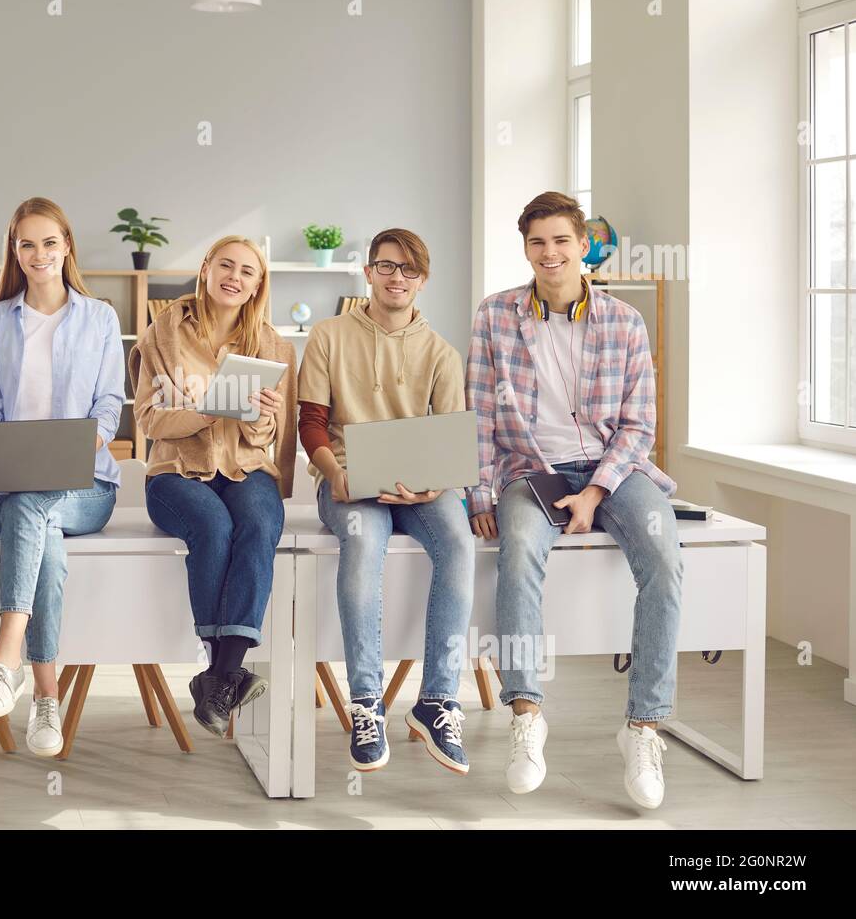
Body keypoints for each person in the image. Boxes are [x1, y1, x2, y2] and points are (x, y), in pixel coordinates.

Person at [466, 190, 682, 809]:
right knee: (519, 555)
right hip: (528, 469)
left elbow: (639, 425)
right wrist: (482, 489)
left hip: (615, 469)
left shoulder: (623, 321)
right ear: (526, 249)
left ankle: (643, 726)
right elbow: (480, 414)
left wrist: (594, 491)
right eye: (537, 243)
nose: (550, 253)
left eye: (562, 240)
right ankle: (527, 714)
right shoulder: (495, 315)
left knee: (665, 559)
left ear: (583, 245)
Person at [297, 227, 474, 774]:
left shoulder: (442, 354)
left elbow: (448, 440)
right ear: (368, 271)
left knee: (459, 544)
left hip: (420, 488)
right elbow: (311, 423)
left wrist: (435, 485)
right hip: (349, 480)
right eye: (387, 266)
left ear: (423, 280)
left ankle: (438, 700)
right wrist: (336, 475)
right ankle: (367, 703)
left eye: (409, 269)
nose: (397, 277)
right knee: (362, 543)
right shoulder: (328, 336)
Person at [0, 197, 122, 757]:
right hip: (12, 489)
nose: (39, 254)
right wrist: (15, 457)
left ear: (67, 247)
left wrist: (88, 442)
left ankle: (7, 652)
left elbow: (110, 402)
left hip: (87, 487)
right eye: (27, 244)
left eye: (49, 242)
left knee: (38, 508)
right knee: (40, 526)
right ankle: (46, 699)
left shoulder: (100, 316)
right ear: (15, 250)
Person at [130, 235, 297, 736]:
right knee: (213, 524)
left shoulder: (272, 345)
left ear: (257, 286)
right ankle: (222, 668)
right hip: (175, 473)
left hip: (245, 467)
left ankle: (220, 676)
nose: (235, 277)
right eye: (226, 265)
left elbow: (271, 437)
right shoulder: (163, 332)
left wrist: (262, 418)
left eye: (248, 272)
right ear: (205, 269)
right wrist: (204, 411)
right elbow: (149, 420)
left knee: (261, 522)